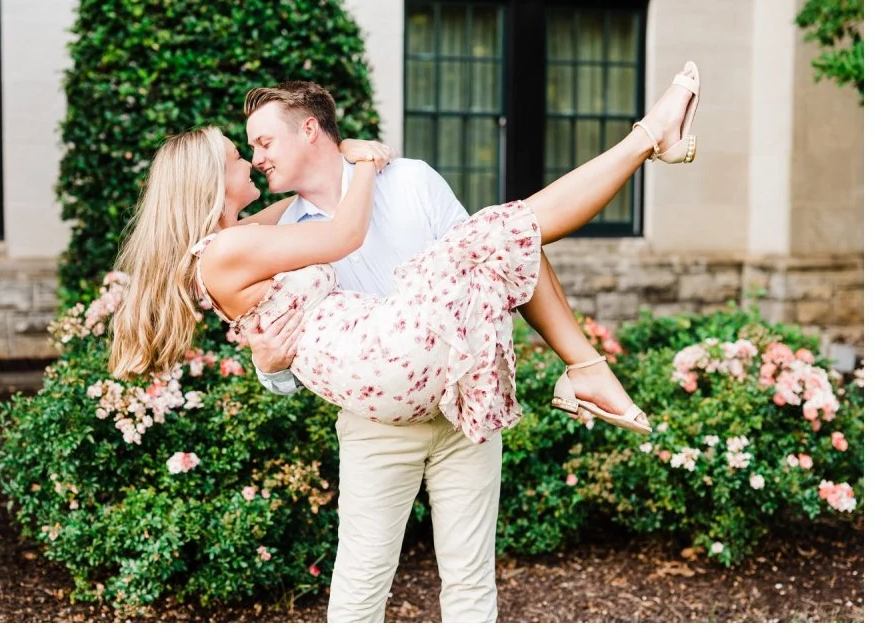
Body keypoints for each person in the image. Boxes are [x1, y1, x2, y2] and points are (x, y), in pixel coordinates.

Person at [109, 63, 701, 621]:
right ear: (214, 182)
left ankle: (591, 350)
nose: (255, 160)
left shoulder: (387, 189)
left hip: (456, 394)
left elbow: (499, 276)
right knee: (503, 230)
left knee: (505, 240)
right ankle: (648, 137)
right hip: (379, 411)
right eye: (245, 155)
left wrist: (353, 162)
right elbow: (333, 250)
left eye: (261, 144)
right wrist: (269, 362)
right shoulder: (266, 237)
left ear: (310, 130)